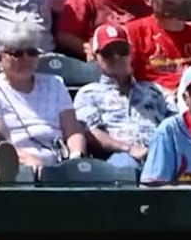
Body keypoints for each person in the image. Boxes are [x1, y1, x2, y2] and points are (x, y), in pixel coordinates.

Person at [0, 21, 88, 174]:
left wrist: (76, 158)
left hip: (59, 162)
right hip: (16, 166)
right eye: (17, 53)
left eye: (32, 53)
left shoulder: (55, 84)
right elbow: (0, 143)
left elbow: (73, 131)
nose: (26, 58)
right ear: (0, 58)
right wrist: (28, 160)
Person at [74, 23, 173, 169]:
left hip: (161, 155)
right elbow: (91, 133)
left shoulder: (154, 90)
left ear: (130, 53)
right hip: (119, 159)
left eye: (122, 51)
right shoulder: (88, 94)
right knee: (125, 164)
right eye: (108, 53)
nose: (116, 57)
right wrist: (129, 149)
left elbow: (176, 124)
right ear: (96, 57)